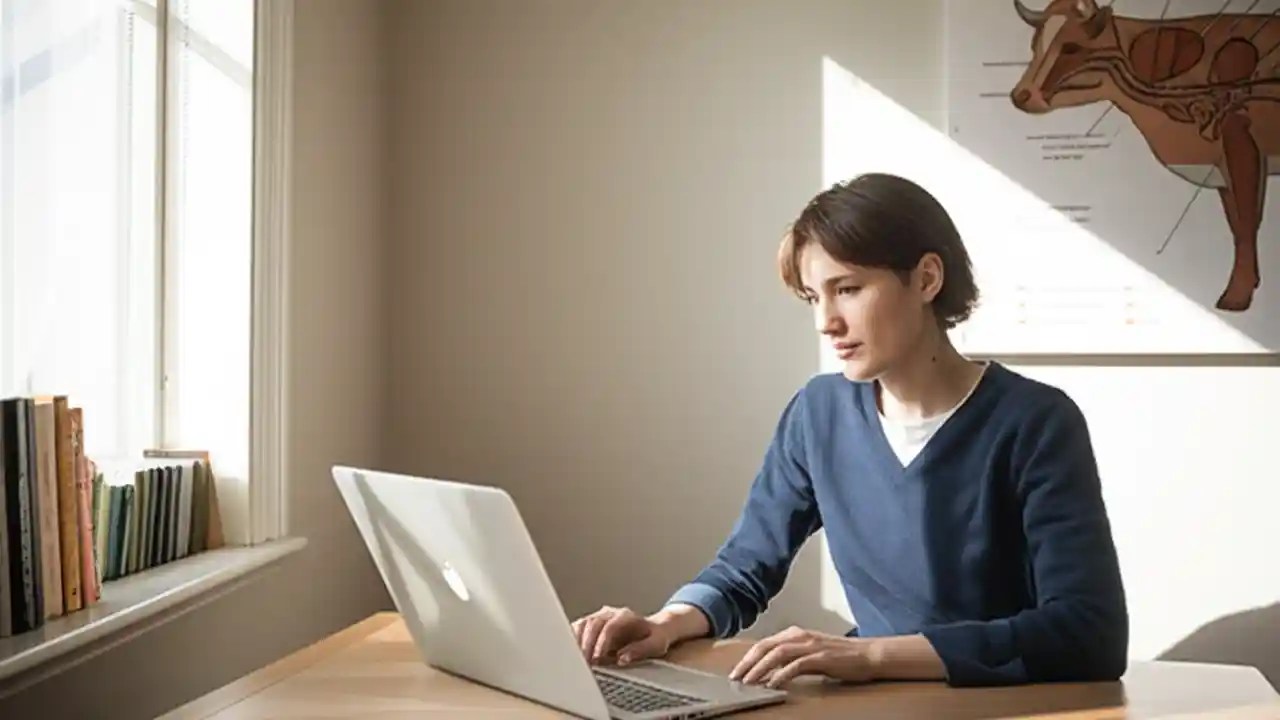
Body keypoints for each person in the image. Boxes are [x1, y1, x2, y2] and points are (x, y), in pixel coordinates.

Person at [570, 172, 1129, 689]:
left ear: (927, 278)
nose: (825, 322)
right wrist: (665, 623)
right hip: (876, 705)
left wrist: (869, 656)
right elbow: (746, 566)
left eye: (849, 289)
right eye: (815, 297)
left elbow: (1089, 634)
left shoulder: (1035, 422)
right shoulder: (818, 413)